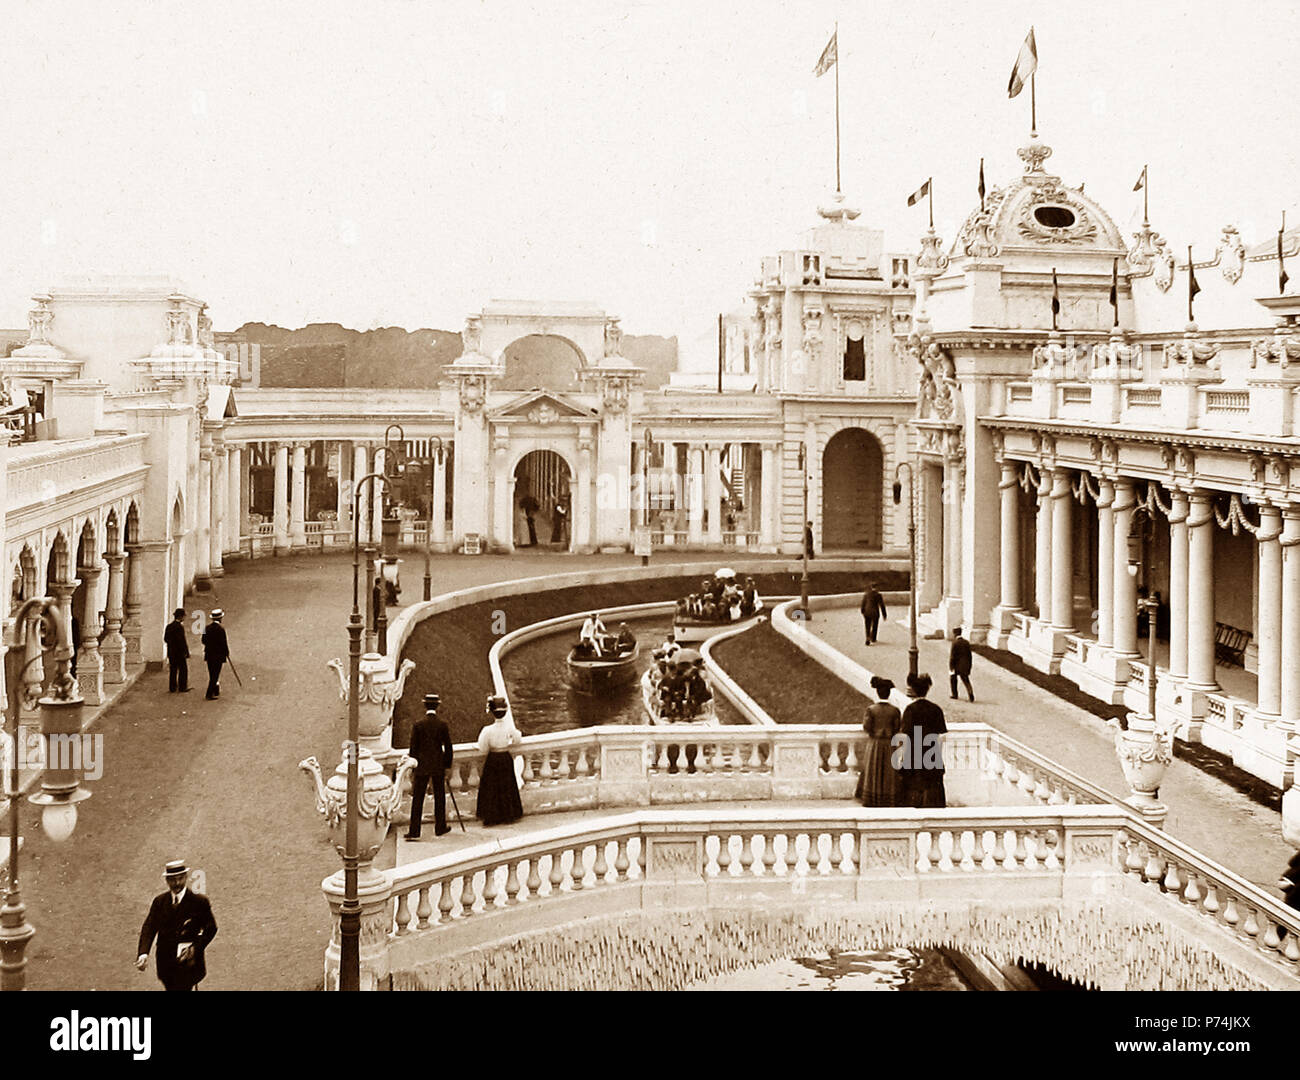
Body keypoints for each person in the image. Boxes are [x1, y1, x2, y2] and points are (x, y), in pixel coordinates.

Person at [135, 860, 218, 991]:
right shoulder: (159, 902)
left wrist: (195, 948)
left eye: (180, 879)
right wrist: (143, 953)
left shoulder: (199, 902)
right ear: (167, 881)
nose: (177, 883)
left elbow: (211, 928)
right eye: (173, 880)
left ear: (185, 878)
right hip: (165, 962)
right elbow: (149, 927)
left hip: (189, 963)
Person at [405, 693, 454, 839]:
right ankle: (440, 827)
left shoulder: (418, 725)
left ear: (425, 706)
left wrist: (413, 766)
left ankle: (414, 831)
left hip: (421, 765)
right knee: (440, 797)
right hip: (438, 765)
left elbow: (413, 748)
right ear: (437, 706)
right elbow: (448, 747)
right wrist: (447, 765)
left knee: (418, 798)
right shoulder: (442, 725)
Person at [897, 673, 947, 808]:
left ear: (914, 690)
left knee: (912, 784)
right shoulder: (936, 709)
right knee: (932, 784)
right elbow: (941, 736)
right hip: (931, 751)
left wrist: (902, 757)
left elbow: (905, 736)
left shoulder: (910, 710)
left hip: (914, 752)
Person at [476, 695, 523, 826]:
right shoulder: (509, 728)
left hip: (493, 759)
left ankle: (492, 816)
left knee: (492, 787)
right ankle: (508, 814)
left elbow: (483, 748)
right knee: (506, 785)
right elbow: (518, 739)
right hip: (505, 758)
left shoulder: (488, 730)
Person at [857, 676, 903, 807]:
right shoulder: (894, 710)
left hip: (875, 744)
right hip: (889, 745)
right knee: (889, 771)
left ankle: (872, 798)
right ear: (888, 694)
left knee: (873, 769)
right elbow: (897, 728)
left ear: (877, 693)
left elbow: (867, 727)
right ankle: (888, 798)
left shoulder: (871, 710)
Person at [201, 608, 229, 700]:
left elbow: (203, 640)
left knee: (212, 673)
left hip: (209, 654)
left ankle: (216, 689)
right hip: (218, 655)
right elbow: (223, 643)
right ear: (220, 618)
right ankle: (209, 693)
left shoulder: (207, 628)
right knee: (215, 674)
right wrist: (226, 653)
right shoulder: (221, 629)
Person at [164, 608, 191, 693]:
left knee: (173, 670)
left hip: (171, 652)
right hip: (179, 653)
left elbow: (166, 639)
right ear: (181, 616)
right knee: (183, 670)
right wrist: (186, 652)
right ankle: (182, 687)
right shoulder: (180, 627)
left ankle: (172, 687)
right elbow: (182, 641)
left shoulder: (169, 626)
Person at [949, 627, 975, 702]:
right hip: (965, 665)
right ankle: (970, 694)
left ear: (955, 634)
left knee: (953, 679)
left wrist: (951, 666)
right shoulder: (966, 642)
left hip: (956, 666)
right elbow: (970, 656)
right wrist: (969, 666)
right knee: (966, 681)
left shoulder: (955, 643)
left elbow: (952, 656)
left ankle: (955, 694)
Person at [860, 580, 887, 645]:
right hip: (875, 612)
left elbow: (863, 603)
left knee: (867, 625)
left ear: (871, 587)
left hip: (867, 612)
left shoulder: (866, 594)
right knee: (875, 625)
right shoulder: (878, 595)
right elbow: (882, 605)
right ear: (877, 587)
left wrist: (862, 611)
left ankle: (867, 637)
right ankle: (873, 638)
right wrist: (884, 614)